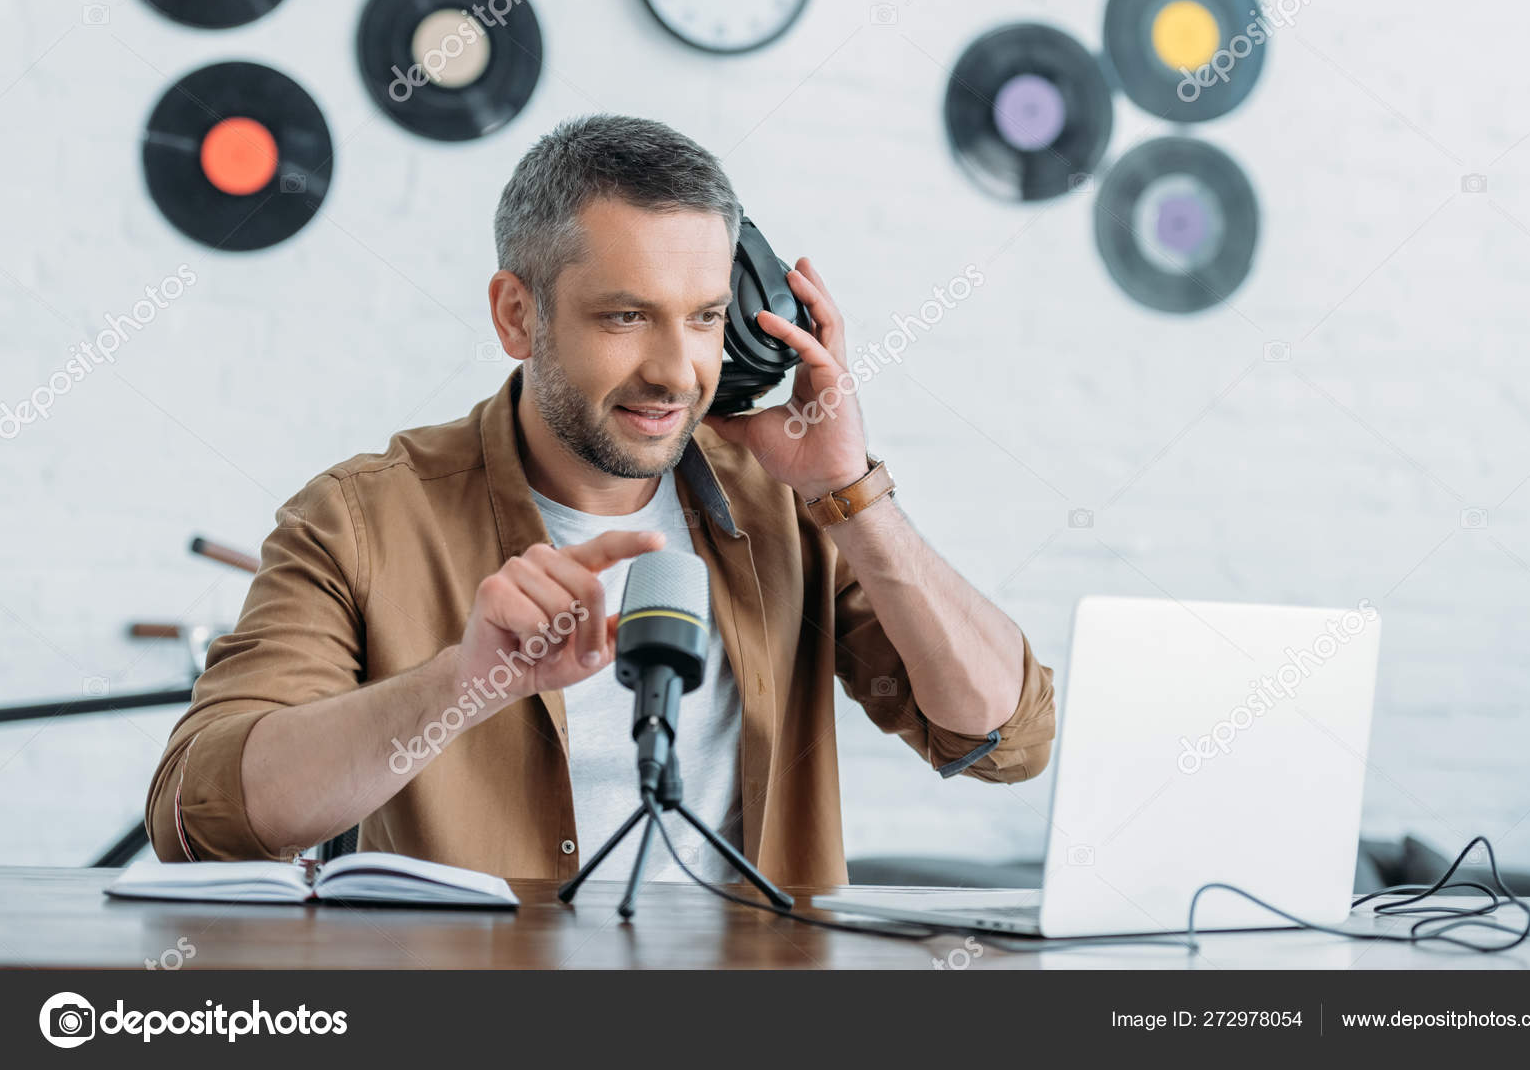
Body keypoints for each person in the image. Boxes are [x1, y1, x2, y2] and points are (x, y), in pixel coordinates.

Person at [144, 114, 1057, 886]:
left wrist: (851, 492)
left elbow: (1005, 738)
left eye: (705, 317)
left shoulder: (794, 507)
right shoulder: (359, 520)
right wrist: (460, 684)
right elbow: (198, 817)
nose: (675, 372)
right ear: (516, 316)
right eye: (625, 316)